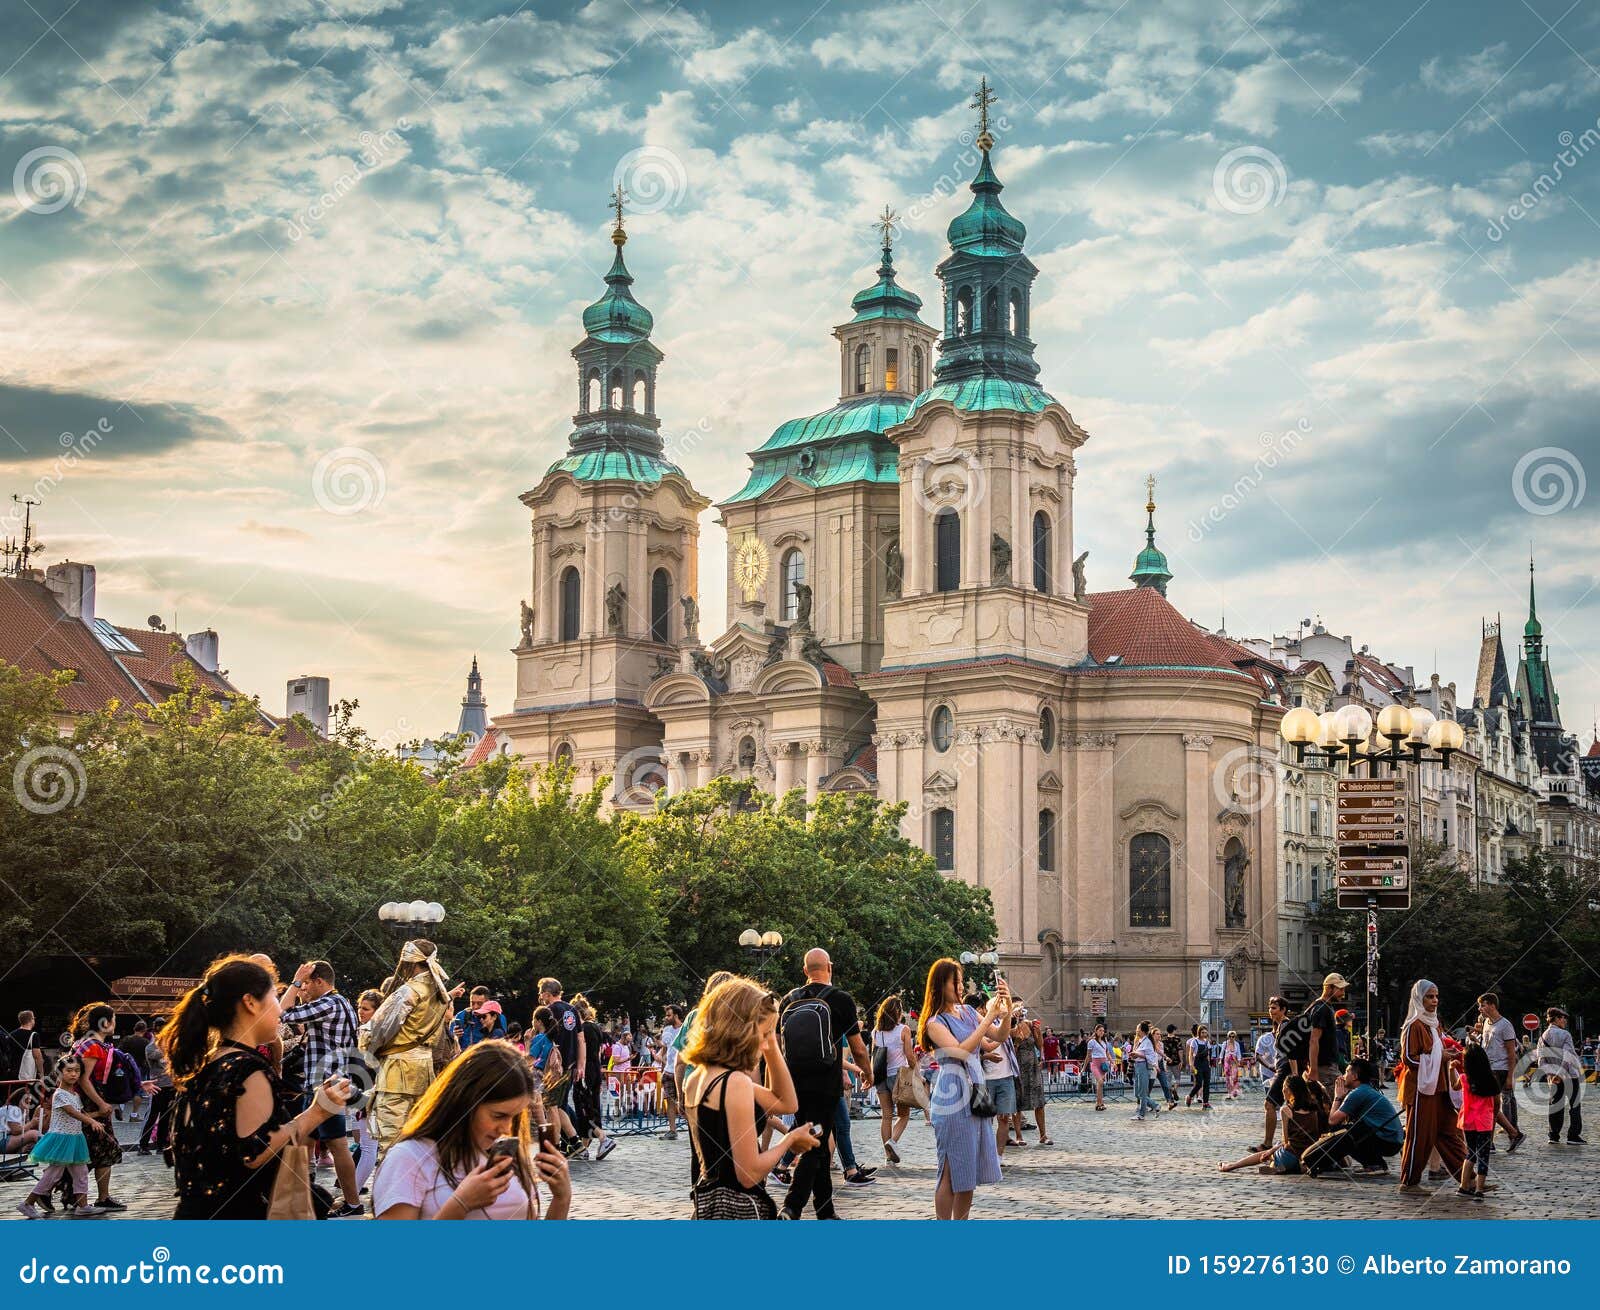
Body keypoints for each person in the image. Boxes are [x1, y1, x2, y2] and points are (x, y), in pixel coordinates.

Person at [161, 955, 353, 1219]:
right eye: (275, 997)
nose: (280, 1009)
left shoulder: (210, 1063)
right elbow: (255, 1152)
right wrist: (316, 1113)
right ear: (250, 1003)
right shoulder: (247, 1069)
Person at [373, 1039, 570, 1219]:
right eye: (498, 1115)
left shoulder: (503, 1155)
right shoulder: (409, 1158)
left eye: (514, 1117)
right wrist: (461, 1204)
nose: (506, 1128)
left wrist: (561, 1199)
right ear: (465, 1102)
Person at [680, 977, 819, 1220]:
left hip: (708, 1206)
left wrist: (771, 1043)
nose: (765, 1042)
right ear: (740, 1029)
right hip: (738, 1209)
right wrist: (788, 1142)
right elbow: (749, 1173)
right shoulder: (734, 1082)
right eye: (763, 1034)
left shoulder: (700, 1077)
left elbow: (786, 1102)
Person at [776, 948, 872, 1221]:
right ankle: (791, 1206)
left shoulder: (788, 1000)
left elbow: (777, 1046)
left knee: (814, 1136)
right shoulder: (840, 999)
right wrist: (867, 1072)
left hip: (795, 1085)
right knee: (816, 1143)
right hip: (825, 1086)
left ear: (805, 970)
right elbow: (859, 1048)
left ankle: (825, 1210)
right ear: (829, 967)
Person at [919, 958, 1006, 1219]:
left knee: (968, 1172)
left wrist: (1007, 1010)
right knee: (949, 1169)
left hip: (975, 1094)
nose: (960, 986)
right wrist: (989, 1016)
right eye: (954, 981)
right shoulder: (934, 1022)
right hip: (952, 1096)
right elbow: (959, 1051)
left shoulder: (967, 1012)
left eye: (960, 980)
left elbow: (999, 1036)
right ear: (939, 985)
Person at [278, 959, 363, 1216]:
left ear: (319, 981)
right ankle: (304, 1198)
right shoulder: (343, 1002)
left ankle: (353, 1203)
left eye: (306, 983)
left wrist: (294, 981)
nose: (303, 988)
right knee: (303, 1142)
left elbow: (281, 1013)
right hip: (328, 1082)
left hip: (325, 1085)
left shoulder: (327, 1003)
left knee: (336, 1145)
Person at [368, 940, 454, 1157]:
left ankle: (392, 1188)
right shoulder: (440, 993)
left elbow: (380, 1028)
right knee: (420, 1138)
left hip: (397, 1069)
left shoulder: (409, 990)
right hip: (425, 1067)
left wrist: (367, 1046)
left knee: (391, 1140)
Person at [16, 1055, 113, 1218]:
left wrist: (97, 1115)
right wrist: (91, 1122)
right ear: (59, 1073)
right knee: (53, 1175)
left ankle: (82, 1205)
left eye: (77, 1071)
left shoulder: (75, 1096)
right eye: (69, 1070)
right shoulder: (59, 1094)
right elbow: (72, 1112)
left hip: (75, 1139)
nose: (74, 1074)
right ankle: (27, 1203)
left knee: (81, 1172)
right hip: (61, 1140)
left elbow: (81, 1113)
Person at [1397, 979, 1468, 1195]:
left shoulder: (1434, 1024)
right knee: (1419, 1135)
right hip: (1421, 1089)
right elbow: (1409, 1058)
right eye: (1430, 996)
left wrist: (1448, 1057)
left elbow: (1436, 1053)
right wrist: (1440, 1057)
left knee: (1449, 1132)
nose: (1435, 1001)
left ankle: (1468, 1179)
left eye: (1436, 996)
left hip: (1440, 1087)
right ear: (1419, 998)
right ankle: (1409, 1182)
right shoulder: (1414, 1025)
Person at [1301, 1058, 1403, 1177]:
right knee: (1350, 1129)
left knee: (1346, 1133)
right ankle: (1372, 1163)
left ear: (1354, 1076)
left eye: (1346, 1072)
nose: (1343, 1076)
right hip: (1392, 1139)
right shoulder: (1366, 1089)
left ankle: (1375, 1164)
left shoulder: (1358, 1093)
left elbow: (1333, 1120)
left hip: (1388, 1140)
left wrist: (1338, 1097)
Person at [536, 978, 585, 1152]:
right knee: (559, 1105)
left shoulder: (548, 1011)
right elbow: (580, 1038)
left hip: (554, 1067)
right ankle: (575, 1142)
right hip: (570, 1065)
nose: (540, 997)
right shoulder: (572, 1010)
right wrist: (581, 1065)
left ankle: (554, 1148)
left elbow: (544, 1040)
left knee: (552, 1107)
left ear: (547, 994)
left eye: (541, 993)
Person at [1475, 992, 1526, 1151]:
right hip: (1488, 1069)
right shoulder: (1485, 1023)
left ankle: (1504, 1137)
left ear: (1492, 1005)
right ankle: (1505, 1137)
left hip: (1501, 1069)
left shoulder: (1505, 1025)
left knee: (1490, 1106)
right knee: (1490, 1106)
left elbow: (1511, 1053)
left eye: (1482, 1005)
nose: (1480, 1009)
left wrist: (1510, 1076)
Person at [570, 994, 616, 1161]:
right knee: (591, 1106)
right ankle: (584, 1148)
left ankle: (603, 1138)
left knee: (584, 1107)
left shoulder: (584, 1029)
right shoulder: (595, 1027)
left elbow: (581, 1052)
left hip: (585, 1071)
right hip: (594, 1069)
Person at [871, 995, 916, 1163]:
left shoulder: (876, 1031)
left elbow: (874, 1056)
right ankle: (892, 1142)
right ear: (897, 1012)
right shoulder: (903, 1029)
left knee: (886, 1116)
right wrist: (916, 1072)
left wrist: (869, 1075)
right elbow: (910, 1056)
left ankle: (888, 1155)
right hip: (898, 1077)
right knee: (904, 1115)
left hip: (880, 1076)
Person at [1456, 1042, 1499, 1200]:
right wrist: (1494, 1115)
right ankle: (1479, 1189)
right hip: (1484, 1122)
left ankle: (1463, 1186)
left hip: (1468, 1121)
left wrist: (1451, 1069)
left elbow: (1453, 1086)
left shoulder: (1464, 1078)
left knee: (1471, 1154)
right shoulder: (1490, 1079)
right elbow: (1497, 1101)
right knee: (1483, 1156)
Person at [1537, 1006, 1585, 1145]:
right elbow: (1568, 1057)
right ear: (1557, 1018)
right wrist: (1559, 1074)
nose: (1565, 1021)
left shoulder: (1542, 1036)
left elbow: (1541, 1060)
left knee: (1555, 1106)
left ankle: (1554, 1135)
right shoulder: (1565, 1035)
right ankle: (1573, 1136)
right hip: (1570, 1076)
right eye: (1563, 1018)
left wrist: (1551, 1076)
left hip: (1553, 1078)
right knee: (1574, 1105)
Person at [1303, 973, 1348, 1092]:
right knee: (1339, 1099)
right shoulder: (1321, 1009)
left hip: (1327, 1066)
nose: (1343, 993)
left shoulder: (1326, 1007)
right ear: (1329, 988)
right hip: (1324, 1068)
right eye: (1340, 989)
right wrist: (1314, 1069)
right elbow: (1314, 1040)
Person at [1252, 998, 1285, 1150]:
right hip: (1269, 1073)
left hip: (1283, 1072)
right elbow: (1258, 1056)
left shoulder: (1286, 1028)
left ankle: (1276, 1142)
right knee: (1271, 1103)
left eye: (1274, 1008)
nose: (1271, 1011)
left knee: (1276, 1105)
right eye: (1270, 1008)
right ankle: (1270, 1142)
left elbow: (1291, 1054)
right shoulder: (1265, 1038)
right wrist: (1270, 1067)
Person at [138, 1020, 175, 1156]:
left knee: (166, 1117)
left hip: (170, 1085)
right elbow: (155, 1056)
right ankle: (143, 1145)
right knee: (152, 1116)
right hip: (156, 1086)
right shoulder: (150, 1047)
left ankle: (161, 1145)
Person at [658, 1005, 684, 1142]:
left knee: (685, 1101)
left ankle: (693, 1127)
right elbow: (664, 1050)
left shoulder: (685, 1029)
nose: (666, 1018)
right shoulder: (666, 1030)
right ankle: (672, 1130)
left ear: (676, 1016)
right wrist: (662, 1069)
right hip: (668, 1070)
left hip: (681, 1070)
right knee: (670, 1101)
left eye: (669, 1015)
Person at [1131, 1021, 1162, 1120]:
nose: (1136, 1030)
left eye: (1138, 1029)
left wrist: (1137, 1055)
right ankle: (1155, 1105)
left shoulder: (1147, 1041)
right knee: (1137, 1093)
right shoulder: (1141, 1041)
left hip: (1143, 1067)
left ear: (1142, 1030)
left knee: (1143, 1093)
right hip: (1138, 1066)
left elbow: (1149, 1056)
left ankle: (1141, 1114)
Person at [5, 1010, 42, 1084]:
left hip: (12, 1073)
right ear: (31, 1020)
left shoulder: (11, 1035)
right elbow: (38, 1057)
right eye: (34, 1018)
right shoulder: (34, 1035)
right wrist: (41, 1074)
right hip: (26, 1075)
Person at [1086, 1021, 1112, 1110]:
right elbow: (1088, 1055)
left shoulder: (1104, 1041)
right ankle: (1098, 1103)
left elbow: (1107, 1053)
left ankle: (1100, 1103)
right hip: (1095, 1063)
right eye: (1100, 1030)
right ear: (1096, 1031)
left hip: (1103, 1063)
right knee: (1100, 1082)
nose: (1102, 1032)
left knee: (1100, 1084)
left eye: (1103, 1031)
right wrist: (1084, 1067)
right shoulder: (1091, 1042)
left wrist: (1112, 1062)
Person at [1185, 1024, 1211, 1109]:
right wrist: (1191, 1065)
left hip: (1205, 1064)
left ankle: (1205, 1103)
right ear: (1199, 1032)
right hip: (1197, 1064)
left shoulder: (1207, 1042)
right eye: (1202, 1032)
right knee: (1199, 1083)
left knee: (1207, 1083)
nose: (1204, 1034)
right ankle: (1189, 1096)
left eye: (1205, 1033)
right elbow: (1190, 1055)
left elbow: (1208, 1054)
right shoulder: (1194, 1041)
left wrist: (1209, 1063)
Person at [1222, 1030, 1243, 1099]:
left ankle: (1235, 1091)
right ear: (1228, 1037)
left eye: (1233, 1036)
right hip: (1227, 1061)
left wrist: (1239, 1060)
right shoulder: (1225, 1043)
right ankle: (1229, 1093)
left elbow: (1239, 1053)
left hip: (1234, 1061)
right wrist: (1220, 1059)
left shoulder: (1237, 1044)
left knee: (1234, 1077)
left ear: (1235, 1037)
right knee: (1228, 1078)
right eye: (1230, 1036)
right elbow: (1222, 1052)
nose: (1231, 1038)